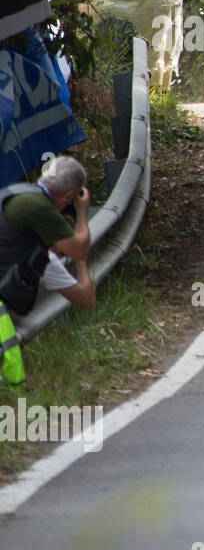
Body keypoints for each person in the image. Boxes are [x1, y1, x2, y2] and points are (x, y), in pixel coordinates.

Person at [0, 156, 94, 385]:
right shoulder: (39, 251)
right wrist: (82, 213)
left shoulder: (15, 194)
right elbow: (79, 252)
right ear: (69, 195)